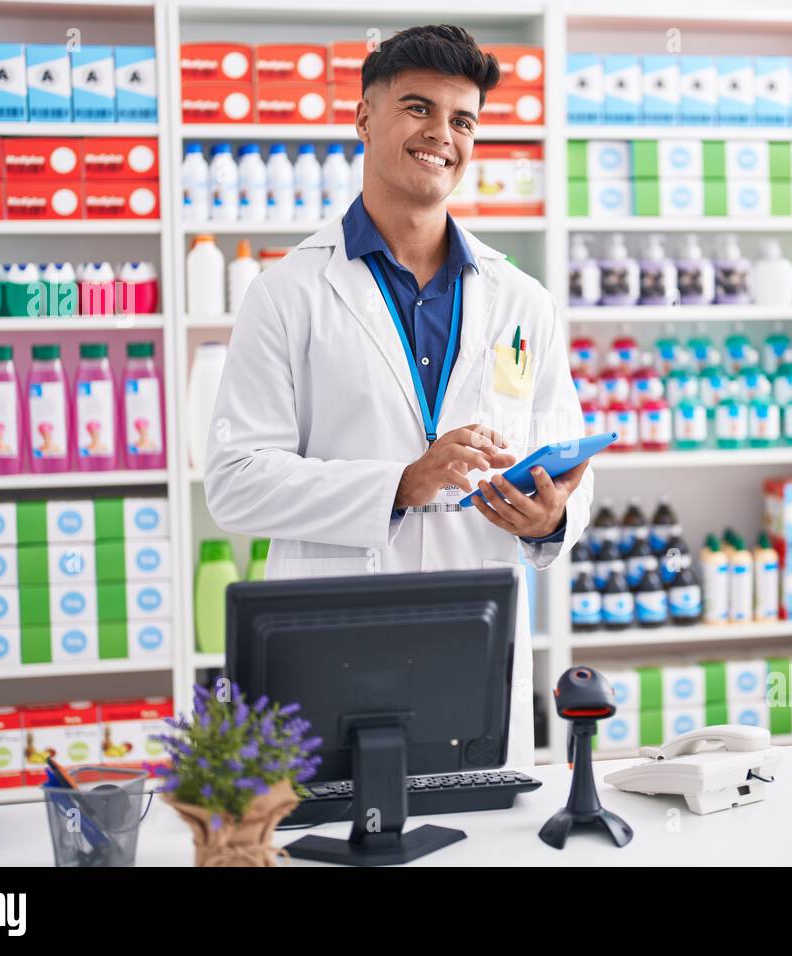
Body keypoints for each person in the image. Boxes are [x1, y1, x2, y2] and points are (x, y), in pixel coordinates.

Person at [205, 25, 593, 767]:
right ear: (363, 118)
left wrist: (552, 517)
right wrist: (400, 484)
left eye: (462, 120)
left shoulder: (523, 302)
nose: (441, 135)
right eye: (418, 108)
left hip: (473, 635)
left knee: (482, 832)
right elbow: (235, 482)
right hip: (332, 633)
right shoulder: (286, 293)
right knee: (334, 826)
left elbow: (567, 457)